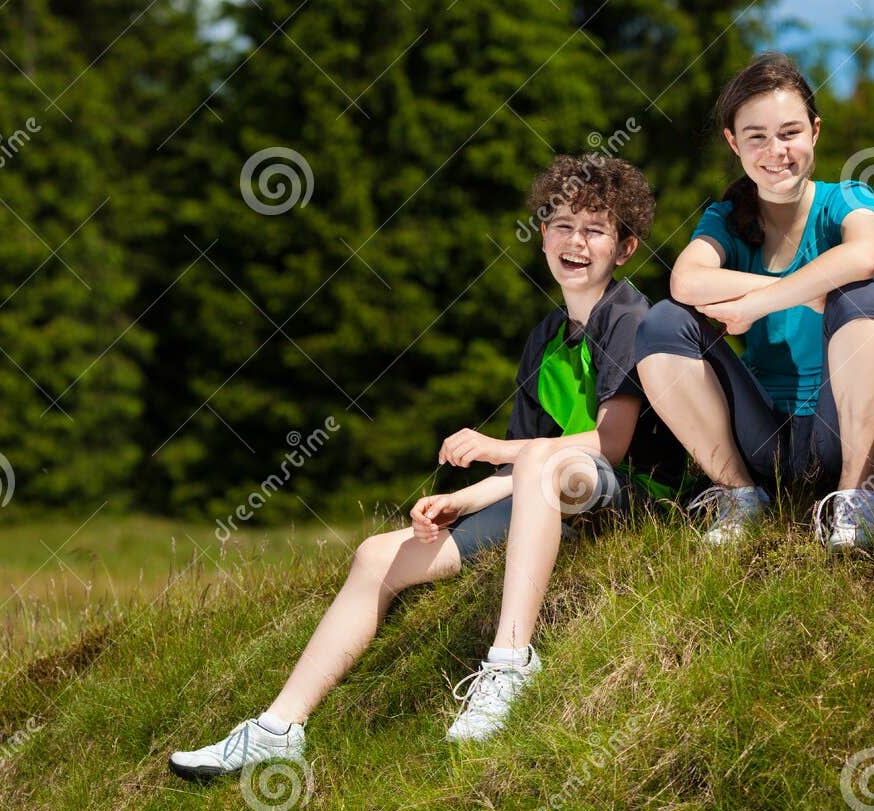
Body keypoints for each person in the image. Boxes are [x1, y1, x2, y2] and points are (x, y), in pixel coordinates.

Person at [168, 154, 683, 777]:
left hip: (634, 498)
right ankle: (279, 726)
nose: (576, 241)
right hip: (550, 493)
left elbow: (609, 445)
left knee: (549, 462)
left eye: (595, 230)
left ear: (624, 248)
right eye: (563, 224)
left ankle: (510, 662)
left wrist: (494, 448)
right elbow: (524, 470)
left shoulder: (630, 316)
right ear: (542, 233)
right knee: (375, 556)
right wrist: (458, 502)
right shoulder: (545, 336)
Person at [635, 52, 874, 551]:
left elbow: (866, 254)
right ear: (733, 143)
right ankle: (740, 495)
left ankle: (858, 497)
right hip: (764, 439)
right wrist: (794, 294)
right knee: (662, 323)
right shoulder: (726, 217)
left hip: (840, 429)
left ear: (815, 132)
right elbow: (686, 281)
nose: (775, 150)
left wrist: (755, 303)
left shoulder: (843, 198)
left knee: (859, 295)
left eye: (789, 132)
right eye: (757, 136)